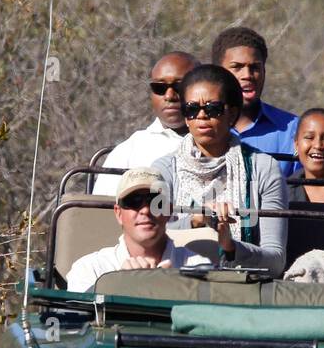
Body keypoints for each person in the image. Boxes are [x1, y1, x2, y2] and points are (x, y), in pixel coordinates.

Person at [150, 64, 288, 274]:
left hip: (243, 287)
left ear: (232, 113)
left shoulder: (263, 168)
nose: (202, 116)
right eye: (192, 109)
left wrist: (231, 247)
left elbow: (276, 261)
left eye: (213, 108)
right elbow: (151, 240)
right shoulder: (163, 170)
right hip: (176, 284)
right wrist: (195, 221)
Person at [65, 167, 212, 292]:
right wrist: (120, 285)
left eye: (156, 202)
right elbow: (77, 321)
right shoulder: (90, 270)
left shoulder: (199, 269)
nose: (145, 210)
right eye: (133, 201)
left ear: (169, 211)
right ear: (118, 213)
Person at [93, 51, 199, 196]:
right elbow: (104, 213)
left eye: (179, 86)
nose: (169, 96)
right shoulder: (128, 152)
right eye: (159, 88)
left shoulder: (227, 145)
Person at [212, 26, 299, 176]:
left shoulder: (294, 129)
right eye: (237, 67)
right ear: (217, 72)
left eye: (255, 67)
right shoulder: (198, 126)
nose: (247, 75)